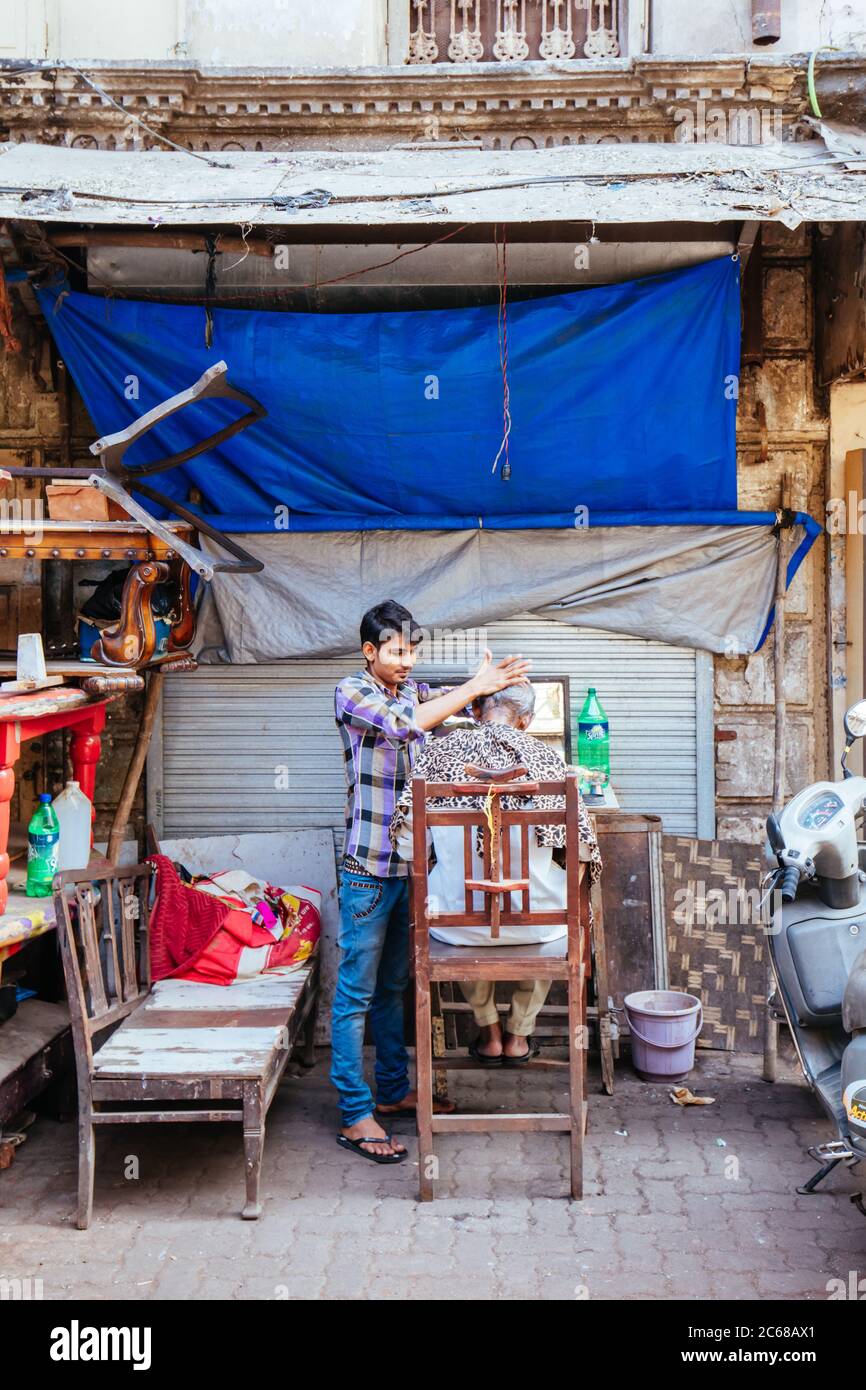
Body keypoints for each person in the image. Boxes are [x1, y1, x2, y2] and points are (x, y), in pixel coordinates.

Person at [331, 598, 531, 1163]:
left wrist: (492, 696)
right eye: (397, 652)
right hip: (368, 869)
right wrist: (475, 686)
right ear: (369, 652)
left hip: (411, 868)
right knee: (354, 995)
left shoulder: (409, 691)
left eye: (413, 650)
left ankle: (392, 1091)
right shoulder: (355, 694)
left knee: (394, 989)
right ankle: (353, 1113)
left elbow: (460, 718)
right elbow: (407, 726)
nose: (408, 661)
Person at [390, 682, 602, 1064]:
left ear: (474, 712)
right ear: (527, 721)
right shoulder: (549, 761)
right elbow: (585, 849)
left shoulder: (434, 757)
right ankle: (518, 1036)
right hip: (536, 924)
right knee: (555, 907)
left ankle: (488, 1033)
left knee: (458, 907)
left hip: (453, 925)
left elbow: (407, 847)